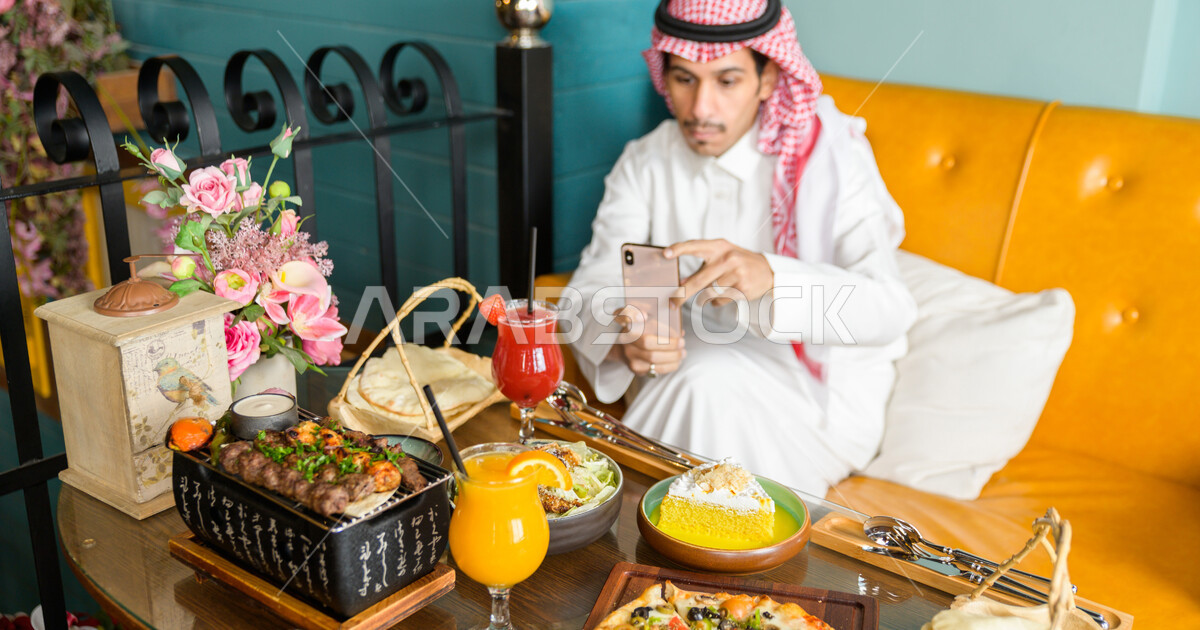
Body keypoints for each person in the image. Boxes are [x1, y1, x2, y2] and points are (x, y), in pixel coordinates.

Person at [564, 0, 917, 496]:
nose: (701, 108)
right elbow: (588, 289)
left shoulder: (830, 158)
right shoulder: (646, 161)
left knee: (705, 381)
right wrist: (625, 339)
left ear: (769, 78)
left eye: (726, 82)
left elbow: (891, 309)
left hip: (818, 394)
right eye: (685, 79)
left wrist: (773, 278)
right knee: (702, 377)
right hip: (684, 370)